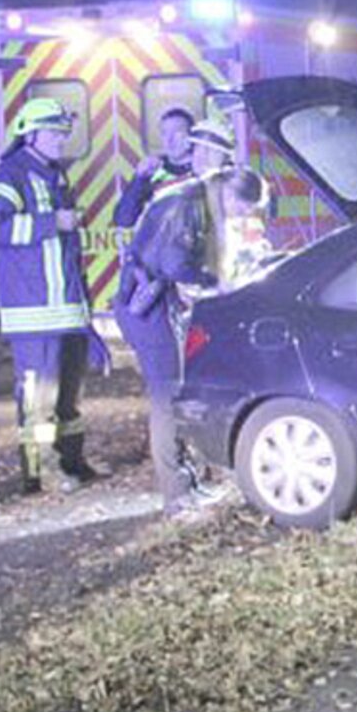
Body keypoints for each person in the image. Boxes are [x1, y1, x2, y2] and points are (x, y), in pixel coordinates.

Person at [115, 117, 240, 515]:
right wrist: (212, 281)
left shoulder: (196, 194)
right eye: (212, 152)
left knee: (180, 393)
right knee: (167, 397)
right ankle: (176, 496)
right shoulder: (186, 198)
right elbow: (172, 262)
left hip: (161, 305)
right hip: (149, 307)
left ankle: (188, 481)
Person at [0, 97, 101, 494]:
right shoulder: (9, 174)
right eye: (53, 132)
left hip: (65, 310)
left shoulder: (55, 176)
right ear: (29, 133)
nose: (61, 140)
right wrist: (52, 222)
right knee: (38, 400)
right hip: (33, 312)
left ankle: (72, 461)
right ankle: (41, 473)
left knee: (68, 398)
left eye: (63, 133)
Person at [113, 107, 197, 229]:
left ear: (191, 136)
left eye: (177, 132)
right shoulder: (154, 171)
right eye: (164, 133)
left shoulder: (201, 170)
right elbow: (124, 219)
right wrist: (139, 179)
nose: (169, 140)